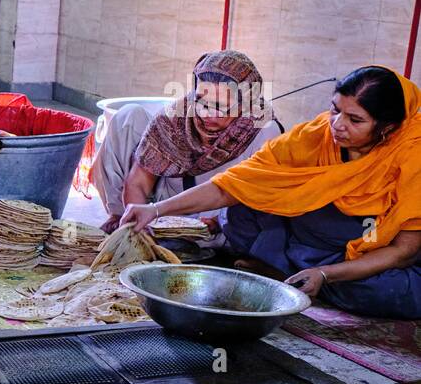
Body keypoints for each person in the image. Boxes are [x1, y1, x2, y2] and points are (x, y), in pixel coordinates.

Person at [121, 66, 421, 319]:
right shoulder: (315, 136)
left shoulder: (412, 155)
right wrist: (155, 210)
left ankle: (301, 275)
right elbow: (236, 183)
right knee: (239, 212)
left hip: (365, 250)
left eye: (355, 120)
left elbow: (403, 251)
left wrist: (328, 273)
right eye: (335, 109)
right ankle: (296, 273)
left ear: (388, 127)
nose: (337, 125)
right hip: (304, 237)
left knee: (390, 291)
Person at [93, 50, 283, 235]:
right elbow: (138, 182)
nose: (207, 113)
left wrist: (217, 222)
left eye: (221, 106)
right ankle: (121, 218)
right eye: (201, 101)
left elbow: (254, 194)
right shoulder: (177, 115)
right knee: (128, 116)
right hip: (162, 207)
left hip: (219, 215)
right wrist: (137, 227)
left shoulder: (262, 128)